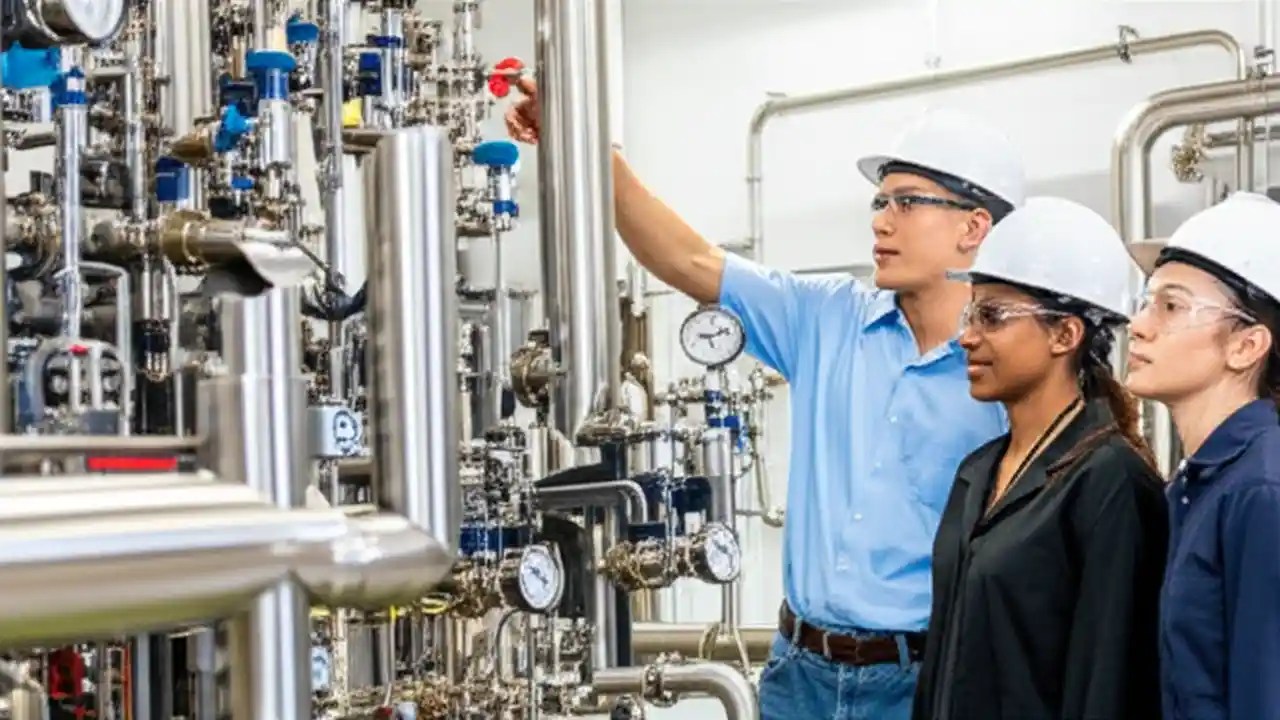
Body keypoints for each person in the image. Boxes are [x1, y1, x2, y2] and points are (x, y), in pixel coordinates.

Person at [508, 80, 1022, 718]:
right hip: (797, 676)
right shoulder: (827, 318)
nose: (880, 220)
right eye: (880, 200)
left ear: (974, 227)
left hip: (923, 681)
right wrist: (586, 144)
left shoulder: (1007, 367)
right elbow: (688, 260)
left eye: (907, 202)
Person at [912, 197, 1168, 720]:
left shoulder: (1111, 481)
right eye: (970, 312)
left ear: (1065, 334)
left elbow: (1110, 687)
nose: (967, 336)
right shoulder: (978, 472)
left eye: (992, 315)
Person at [1125, 191, 1280, 720]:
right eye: (1147, 302)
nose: (1140, 325)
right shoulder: (1194, 486)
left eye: (1171, 306)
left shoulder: (1262, 491)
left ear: (1246, 346)